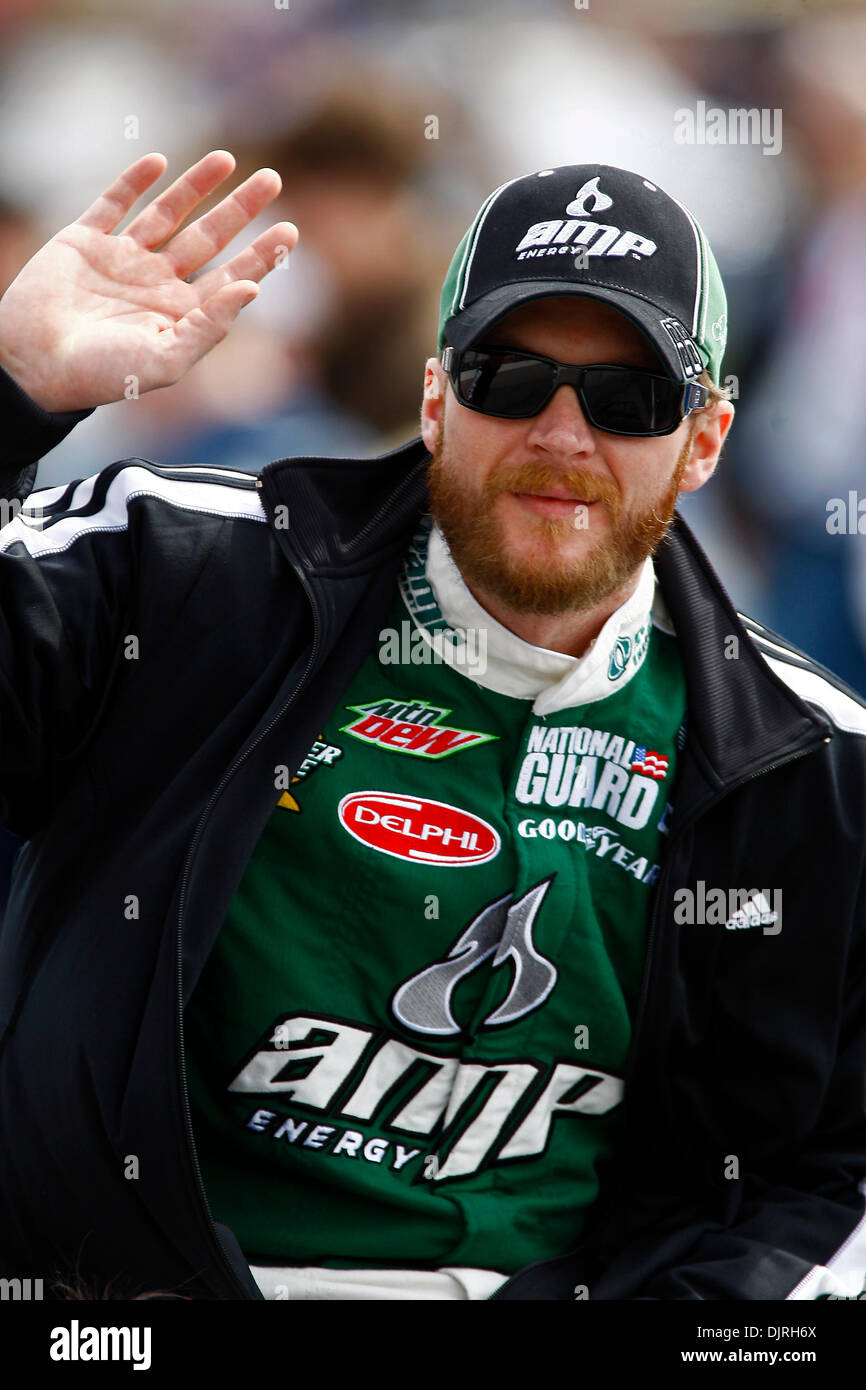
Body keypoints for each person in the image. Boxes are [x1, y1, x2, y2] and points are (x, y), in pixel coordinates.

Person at [0, 151, 864, 1303]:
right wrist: (11, 391)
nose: (561, 433)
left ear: (703, 439)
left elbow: (827, 1177)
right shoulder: (172, 574)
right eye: (509, 377)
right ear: (432, 398)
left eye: (629, 398)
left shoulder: (813, 763)